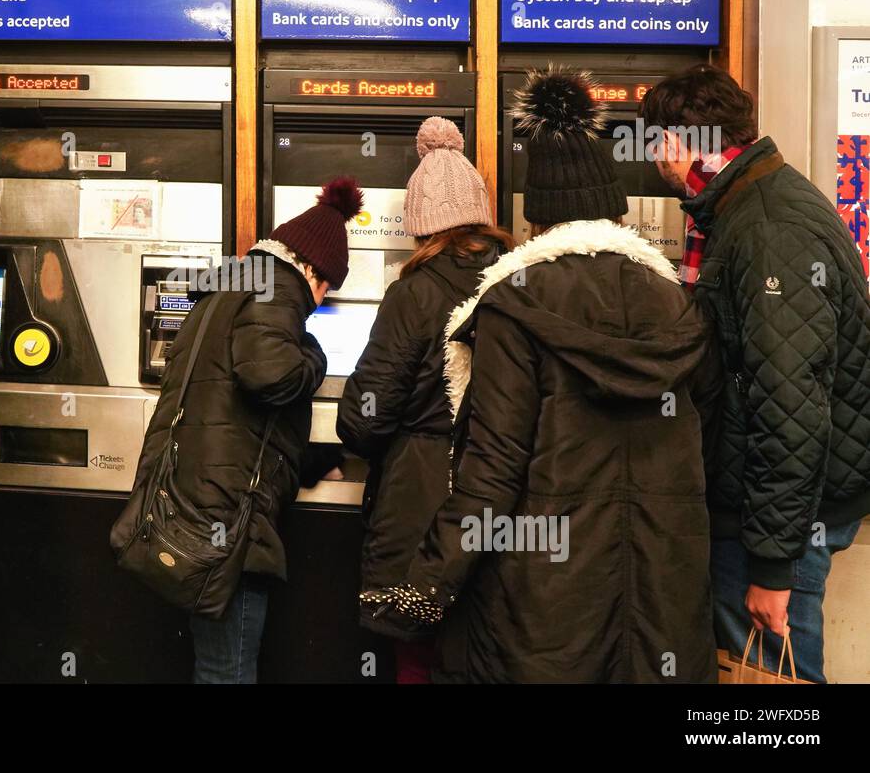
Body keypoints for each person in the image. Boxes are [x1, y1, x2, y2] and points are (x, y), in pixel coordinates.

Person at [361, 69, 720, 683]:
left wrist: (418, 594)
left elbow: (490, 475)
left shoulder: (515, 304)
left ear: (538, 220)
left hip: (546, 612)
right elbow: (706, 440)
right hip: (665, 600)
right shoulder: (676, 303)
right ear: (615, 208)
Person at [640, 63, 870, 682]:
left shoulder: (765, 226)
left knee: (770, 680)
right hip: (782, 502)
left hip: (783, 513)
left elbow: (789, 400)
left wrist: (772, 566)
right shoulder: (748, 203)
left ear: (670, 142)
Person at [132, 178, 361, 684]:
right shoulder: (278, 287)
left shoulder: (231, 285)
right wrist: (315, 356)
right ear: (309, 268)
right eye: (324, 287)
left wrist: (306, 462)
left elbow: (236, 414)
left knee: (218, 663)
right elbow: (270, 376)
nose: (320, 300)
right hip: (228, 522)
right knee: (228, 669)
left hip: (198, 502)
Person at [336, 116, 512, 684]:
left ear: (423, 226)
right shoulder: (518, 283)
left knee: (416, 645)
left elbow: (369, 414)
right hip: (504, 494)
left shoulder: (413, 293)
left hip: (423, 493)